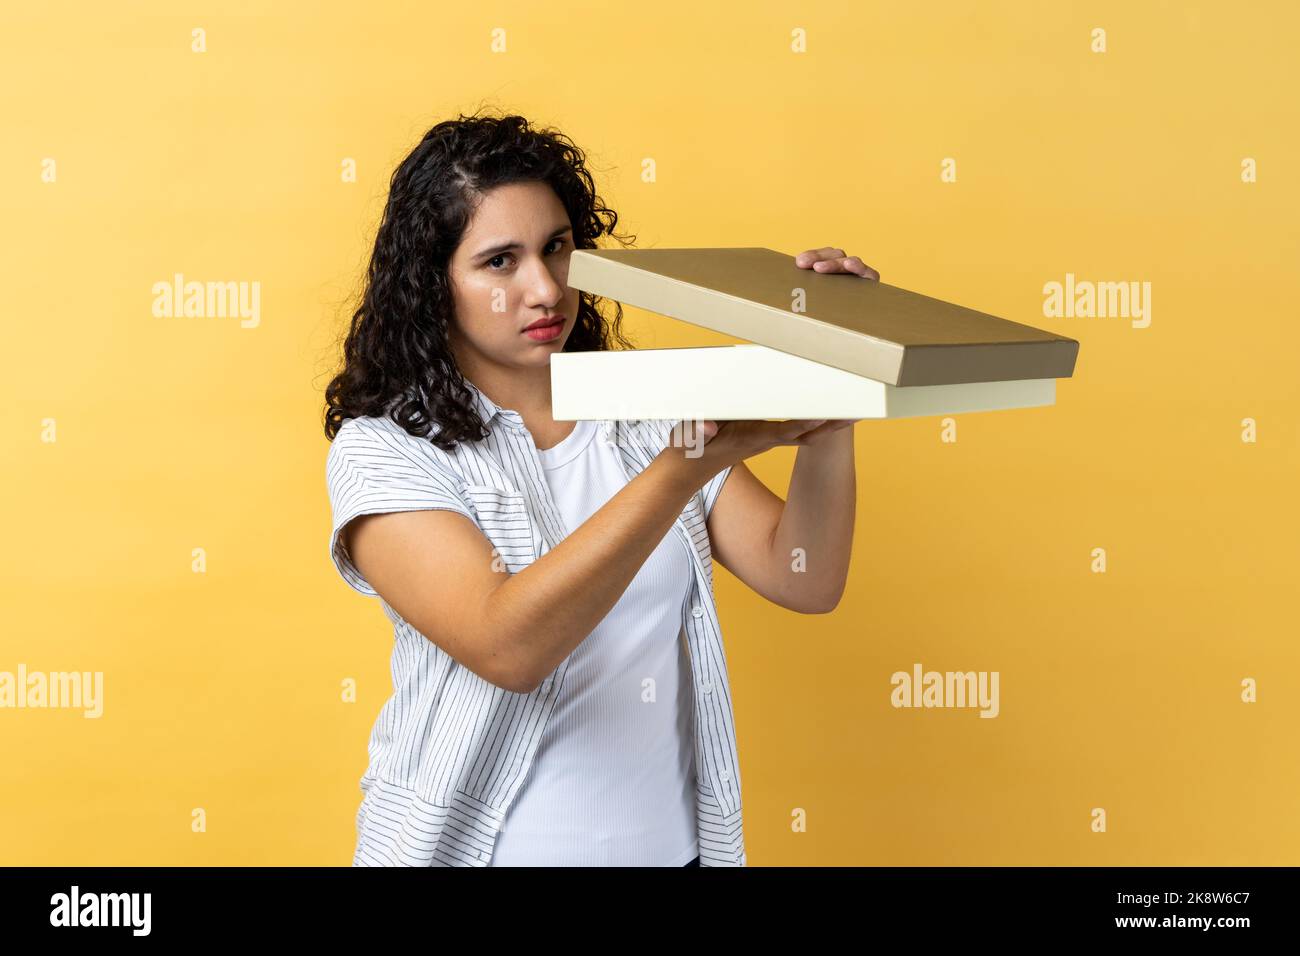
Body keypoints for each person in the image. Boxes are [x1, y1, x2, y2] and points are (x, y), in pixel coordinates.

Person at [323, 110, 874, 866]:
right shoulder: (386, 450)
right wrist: (681, 471)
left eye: (556, 248)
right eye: (499, 262)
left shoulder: (644, 413)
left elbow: (803, 575)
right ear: (432, 284)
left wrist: (832, 411)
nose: (545, 288)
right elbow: (508, 645)